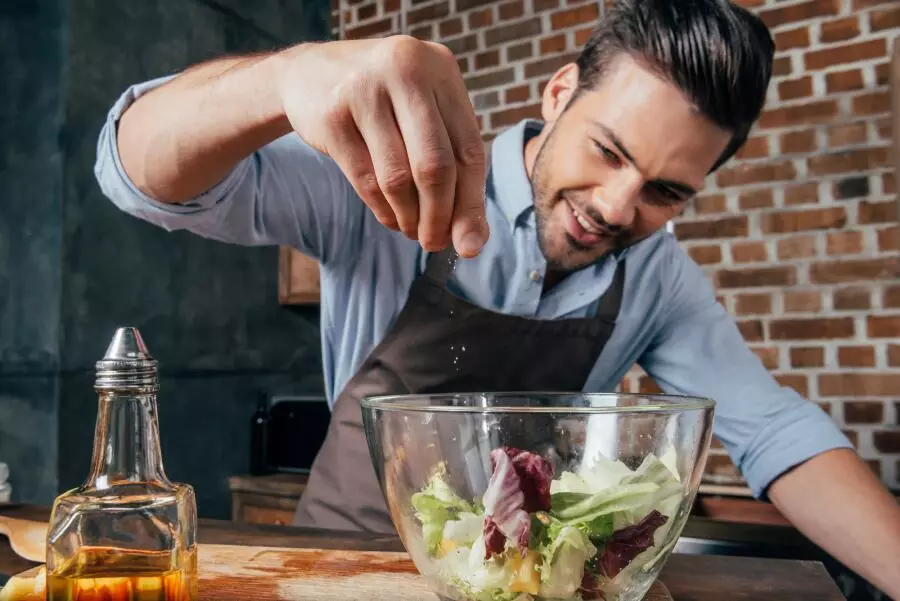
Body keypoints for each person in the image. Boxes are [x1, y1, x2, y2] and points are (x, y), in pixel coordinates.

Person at [94, 0, 899, 595]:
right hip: (339, 570)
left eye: (664, 191)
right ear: (558, 95)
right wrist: (284, 76)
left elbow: (777, 431)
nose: (619, 208)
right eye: (608, 151)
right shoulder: (400, 171)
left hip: (526, 583)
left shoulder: (658, 276)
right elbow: (137, 177)